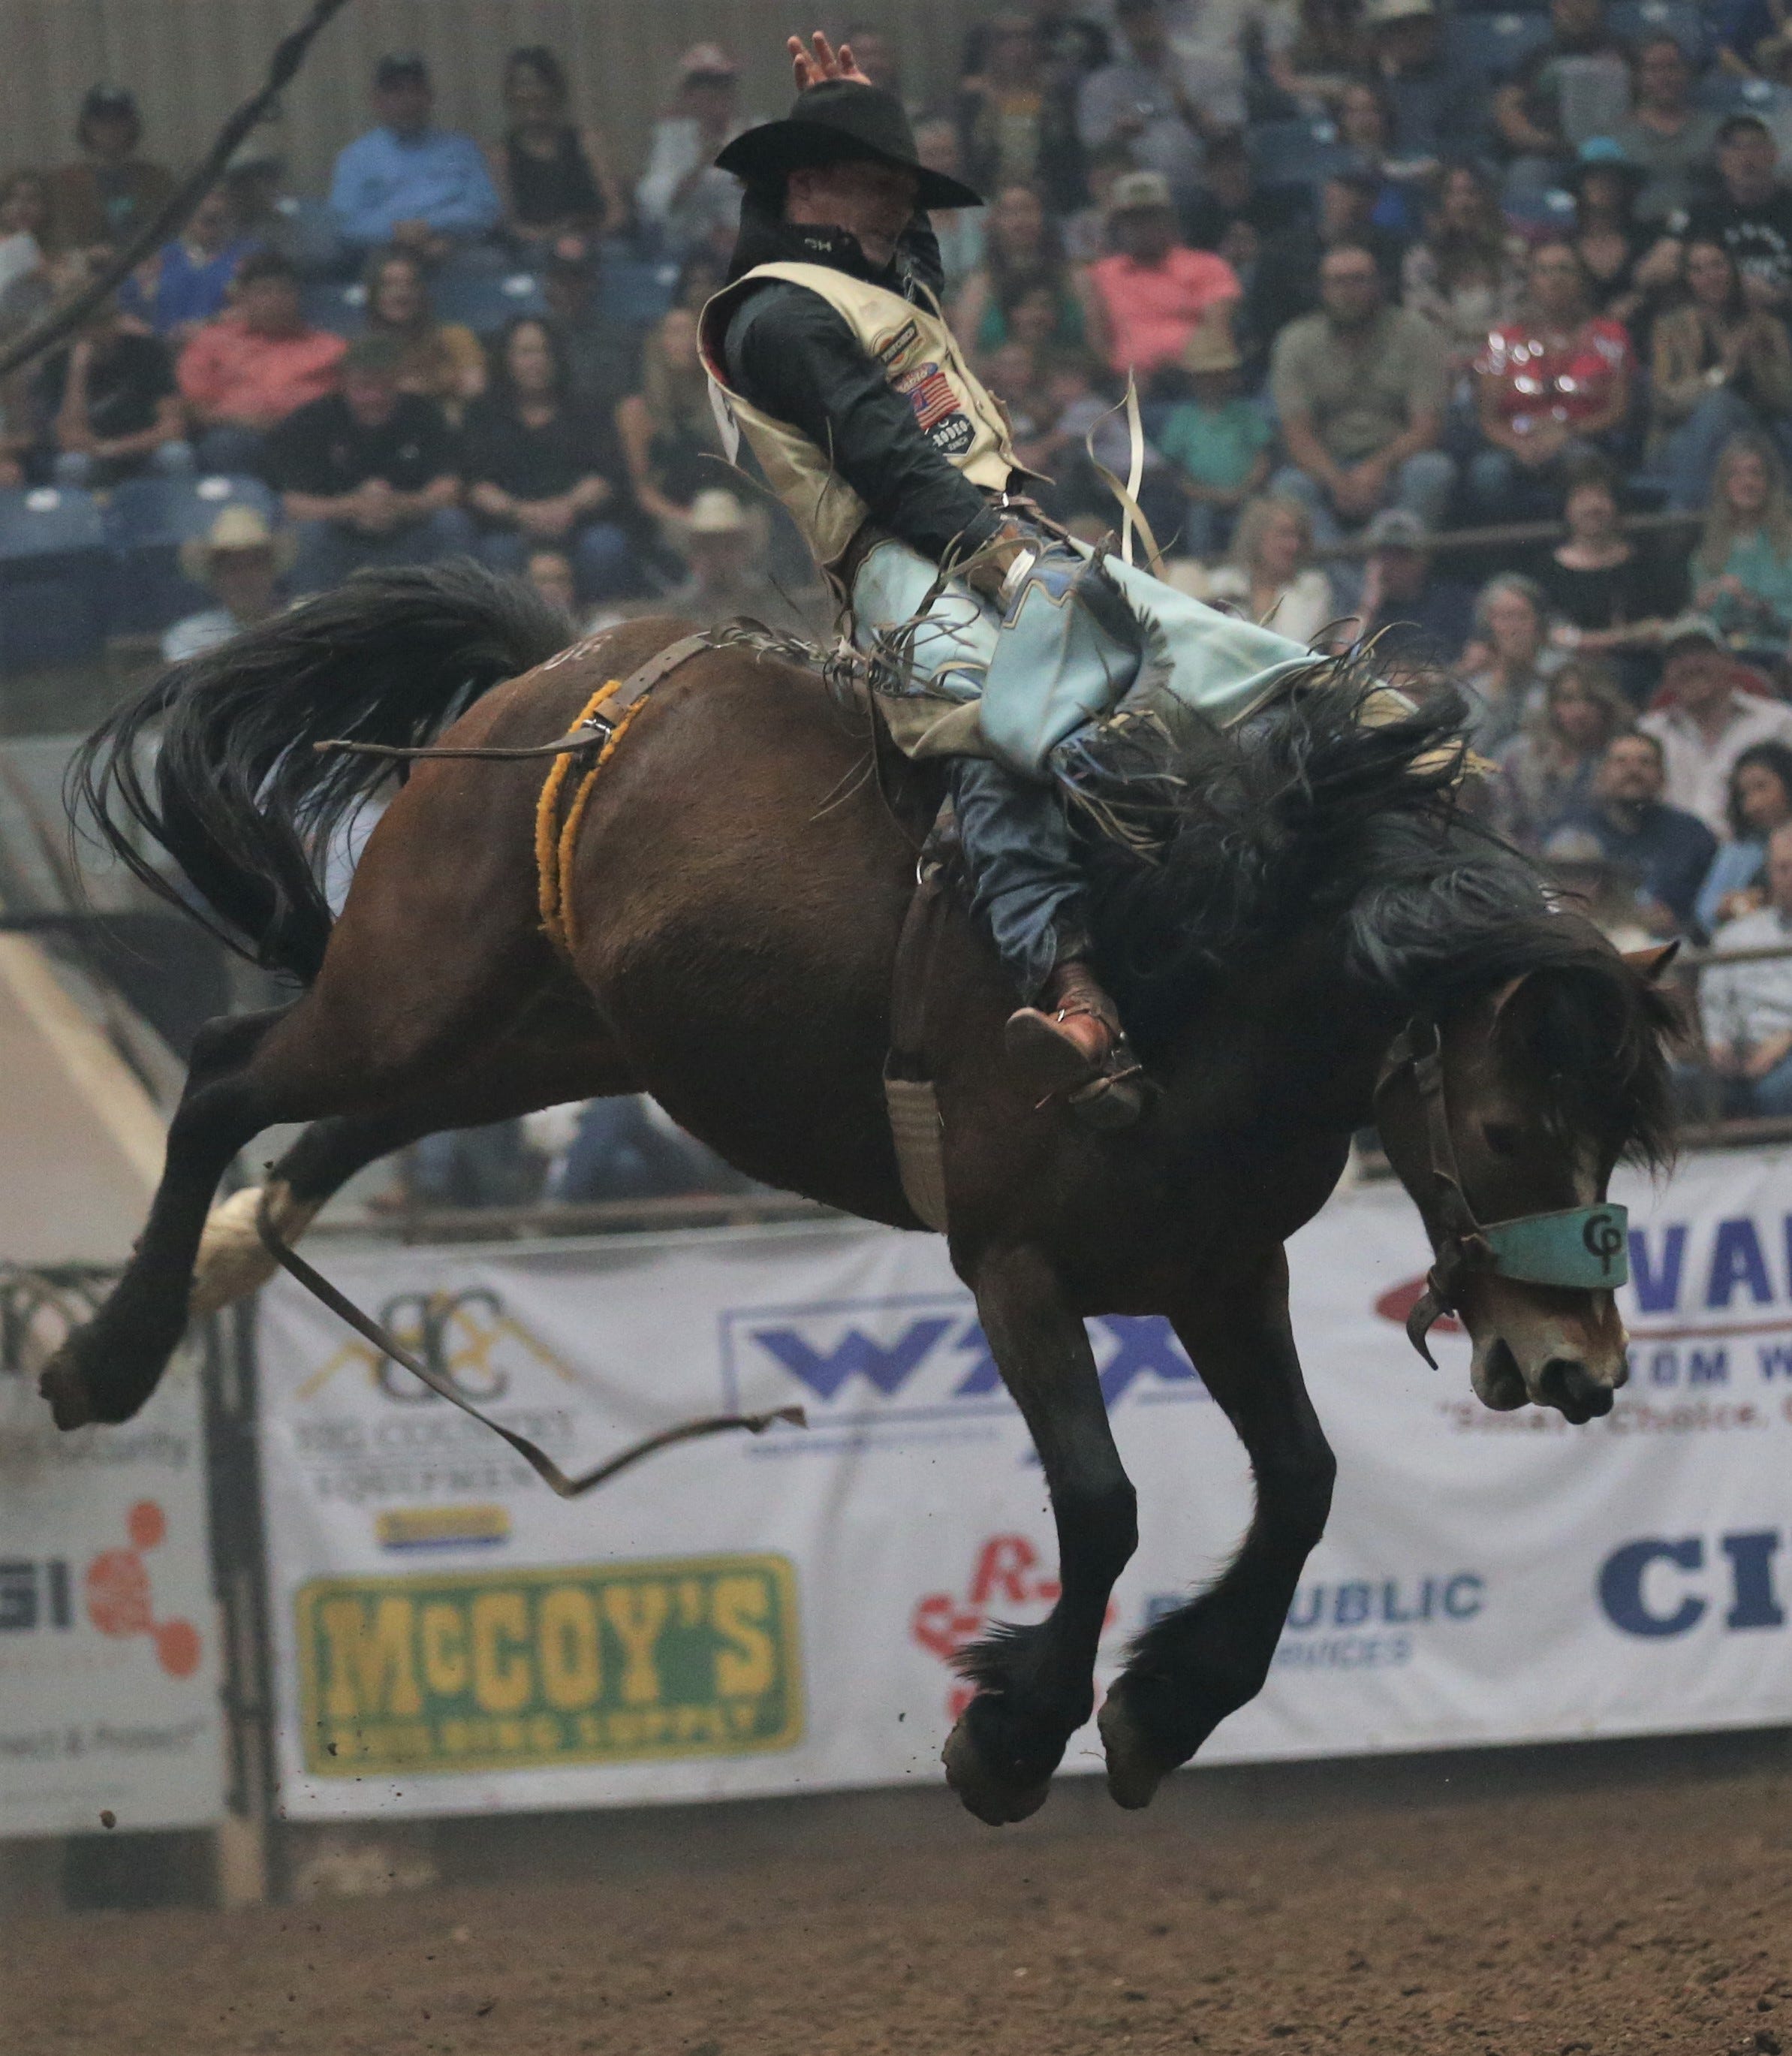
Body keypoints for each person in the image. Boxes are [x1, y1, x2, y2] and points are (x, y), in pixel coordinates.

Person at [700, 35, 1337, 1123]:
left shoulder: (866, 293)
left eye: (909, 194)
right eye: (880, 186)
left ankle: (1368, 792)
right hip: (908, 565)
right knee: (1000, 718)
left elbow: (913, 291)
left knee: (1230, 658)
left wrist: (846, 112)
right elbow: (882, 455)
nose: (905, 214)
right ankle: (1066, 983)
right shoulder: (776, 316)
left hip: (996, 535)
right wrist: (990, 555)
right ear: (804, 188)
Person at [1267, 240, 1453, 562]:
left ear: (1379, 283)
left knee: (1432, 470)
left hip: (1396, 461)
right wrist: (1336, 479)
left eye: (1359, 279)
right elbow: (1297, 434)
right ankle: (1346, 587)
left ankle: (1397, 569)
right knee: (1288, 486)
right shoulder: (1295, 341)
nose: (1348, 291)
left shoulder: (1417, 334)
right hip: (1328, 466)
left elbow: (1427, 428)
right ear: (1322, 289)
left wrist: (1376, 468)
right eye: (1337, 282)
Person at [265, 333, 471, 595]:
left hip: (410, 531)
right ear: (344, 384)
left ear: (397, 382)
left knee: (450, 523)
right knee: (307, 534)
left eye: (383, 386)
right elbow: (293, 504)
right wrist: (353, 507)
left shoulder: (424, 414)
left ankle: (456, 612)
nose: (374, 397)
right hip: (340, 537)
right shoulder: (312, 421)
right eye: (363, 387)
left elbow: (450, 488)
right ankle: (312, 619)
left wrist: (400, 505)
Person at [461, 316, 637, 602]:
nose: (537, 361)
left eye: (545, 351)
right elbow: (475, 483)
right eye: (526, 352)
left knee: (606, 547)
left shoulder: (588, 408)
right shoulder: (482, 414)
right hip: (510, 526)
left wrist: (568, 507)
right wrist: (520, 512)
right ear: (506, 359)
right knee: (497, 553)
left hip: (578, 523)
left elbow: (607, 476)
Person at [1470, 240, 1634, 522]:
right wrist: (1518, 444)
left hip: (1581, 439)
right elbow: (1488, 419)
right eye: (1544, 271)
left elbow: (1619, 411)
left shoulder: (1610, 335)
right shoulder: (1504, 339)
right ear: (1531, 282)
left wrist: (1568, 432)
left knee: (1582, 464)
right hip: (1516, 443)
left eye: (1564, 270)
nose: (1554, 279)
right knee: (1488, 473)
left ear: (1581, 280)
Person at [1649, 238, 1792, 512]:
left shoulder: (1766, 327)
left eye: (1718, 266)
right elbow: (1666, 401)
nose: (1710, 277)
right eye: (1698, 270)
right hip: (1684, 437)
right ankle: (1689, 512)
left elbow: (1786, 397)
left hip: (1757, 434)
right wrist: (1723, 372)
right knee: (1718, 406)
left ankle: (1682, 516)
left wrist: (1756, 362)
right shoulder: (1670, 328)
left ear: (1734, 270)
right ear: (1687, 278)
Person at [176, 251, 349, 476]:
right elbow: (195, 408)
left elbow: (353, 405)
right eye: (264, 292)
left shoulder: (332, 348)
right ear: (244, 298)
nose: (275, 300)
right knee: (226, 446)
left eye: (284, 291)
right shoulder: (212, 342)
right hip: (236, 435)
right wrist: (245, 420)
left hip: (309, 440)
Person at [1640, 613, 1792, 835]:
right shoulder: (1648, 732)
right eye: (1678, 658)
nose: (1690, 665)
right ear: (1666, 673)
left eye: (1701, 653)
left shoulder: (1779, 722)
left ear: (1729, 662)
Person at [1086, 170, 1240, 384]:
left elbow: (1218, 333)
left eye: (1150, 218)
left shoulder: (1208, 266)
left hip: (1196, 378)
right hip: (1128, 383)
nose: (1142, 228)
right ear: (1119, 226)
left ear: (1170, 220)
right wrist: (1122, 376)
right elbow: (1097, 340)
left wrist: (1179, 365)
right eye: (1133, 220)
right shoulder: (1102, 274)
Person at [1562, 728, 1718, 934]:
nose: (1633, 771)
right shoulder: (1573, 833)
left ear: (1662, 777)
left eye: (1645, 762)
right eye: (1621, 762)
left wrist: (1676, 923)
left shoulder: (1692, 836)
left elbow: (1709, 913)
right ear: (1602, 775)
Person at [1490, 0, 1631, 213]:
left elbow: (1647, 106)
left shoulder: (1624, 53)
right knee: (1525, 174)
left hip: (1611, 155)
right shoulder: (1538, 56)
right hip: (1550, 154)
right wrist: (1543, 141)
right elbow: (1507, 106)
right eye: (1566, 3)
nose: (1575, 9)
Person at [37, 295, 192, 487]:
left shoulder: (148, 352)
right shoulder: (57, 365)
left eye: (102, 323)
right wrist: (78, 372)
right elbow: (68, 438)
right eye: (86, 327)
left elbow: (173, 427)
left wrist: (114, 448)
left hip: (144, 449)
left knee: (175, 455)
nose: (97, 333)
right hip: (94, 459)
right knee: (72, 466)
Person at [487, 46, 625, 264]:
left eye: (540, 84)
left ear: (556, 89)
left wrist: (583, 237)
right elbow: (510, 224)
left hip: (594, 242)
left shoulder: (588, 143)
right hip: (536, 248)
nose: (533, 93)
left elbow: (617, 213)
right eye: (523, 85)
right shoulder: (501, 154)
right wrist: (554, 236)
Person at [1077, 0, 1218, 206]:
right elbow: (1092, 146)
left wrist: (1193, 114)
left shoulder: (1202, 71)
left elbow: (1229, 136)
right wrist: (1116, 136)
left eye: (1146, 8)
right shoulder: (1100, 86)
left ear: (1162, 13)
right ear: (1120, 22)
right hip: (1137, 201)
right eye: (1129, 13)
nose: (1140, 20)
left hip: (1203, 190)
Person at [1399, 164, 1527, 384]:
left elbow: (1516, 314)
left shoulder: (1513, 253)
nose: (1463, 203)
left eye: (1471, 193)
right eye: (1453, 194)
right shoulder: (1421, 259)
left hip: (1502, 358)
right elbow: (1421, 317)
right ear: (1442, 202)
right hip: (1440, 359)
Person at [1153, 324, 1271, 561]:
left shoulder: (1245, 414)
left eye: (1218, 375)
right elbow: (1173, 470)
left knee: (1259, 514)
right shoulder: (1183, 418)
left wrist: (1244, 490)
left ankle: (1248, 565)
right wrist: (1203, 493)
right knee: (1198, 518)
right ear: (1192, 379)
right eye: (1204, 376)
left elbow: (1263, 458)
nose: (1211, 382)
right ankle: (1201, 566)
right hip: (1199, 498)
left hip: (1246, 494)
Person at [1699, 820, 1792, 1114]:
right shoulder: (1734, 936)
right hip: (1742, 1056)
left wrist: (1785, 1042)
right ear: (1769, 872)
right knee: (1682, 1085)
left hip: (1785, 1055)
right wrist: (1719, 1046)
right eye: (1783, 868)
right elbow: (1713, 1004)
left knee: (1777, 1090)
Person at [616, 303, 725, 554]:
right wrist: (686, 518)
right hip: (668, 514)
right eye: (675, 332)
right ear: (658, 343)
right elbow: (643, 491)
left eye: (691, 332)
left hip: (721, 509)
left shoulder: (722, 404)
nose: (685, 341)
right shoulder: (636, 411)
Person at [1493, 658, 1631, 852]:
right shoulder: (1520, 757)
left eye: (1590, 700)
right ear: (1553, 705)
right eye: (1568, 700)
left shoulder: (1620, 757)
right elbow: (1505, 824)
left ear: (1604, 706)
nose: (1579, 711)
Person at [956, 14, 1083, 215]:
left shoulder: (1057, 96)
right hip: (987, 203)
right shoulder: (973, 100)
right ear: (990, 47)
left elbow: (1068, 154)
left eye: (1025, 37)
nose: (1017, 46)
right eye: (1006, 39)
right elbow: (967, 155)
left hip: (1049, 203)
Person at [637, 44, 754, 258]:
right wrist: (701, 164)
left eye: (723, 84)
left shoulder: (755, 132)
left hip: (747, 240)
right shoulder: (672, 137)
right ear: (689, 93)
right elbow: (656, 202)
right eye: (705, 85)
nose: (716, 93)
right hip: (690, 245)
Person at [1188, 492, 1338, 647]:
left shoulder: (1312, 588)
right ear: (1257, 537)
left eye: (1300, 537)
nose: (1294, 546)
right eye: (1284, 534)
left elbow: (1296, 645)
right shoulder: (1224, 583)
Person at [953, 182, 1088, 355]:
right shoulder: (979, 284)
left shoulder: (1075, 278)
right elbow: (964, 353)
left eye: (1028, 209)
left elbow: (1098, 348)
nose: (1021, 220)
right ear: (994, 222)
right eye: (1009, 212)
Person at [1680, 115, 1792, 318]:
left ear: (1774, 155)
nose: (1747, 159)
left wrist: (1780, 298)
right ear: (1721, 161)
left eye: (1755, 147)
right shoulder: (1702, 214)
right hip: (1720, 322)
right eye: (1736, 148)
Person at [119, 185, 258, 348]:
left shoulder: (254, 256)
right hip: (160, 356)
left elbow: (268, 308)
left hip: (229, 354)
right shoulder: (158, 259)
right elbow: (121, 313)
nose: (212, 205)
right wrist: (155, 338)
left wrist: (209, 326)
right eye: (204, 197)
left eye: (220, 197)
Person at [1691, 433, 1792, 653]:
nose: (1746, 483)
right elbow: (1704, 623)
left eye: (1755, 473)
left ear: (1769, 483)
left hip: (1781, 653)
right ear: (1724, 486)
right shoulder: (1707, 552)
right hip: (1725, 654)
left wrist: (1754, 604)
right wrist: (1701, 607)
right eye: (1735, 475)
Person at [361, 247, 486, 421]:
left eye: (409, 284)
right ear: (373, 294)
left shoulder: (455, 336)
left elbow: (475, 387)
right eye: (389, 285)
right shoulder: (364, 348)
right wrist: (444, 383)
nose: (400, 294)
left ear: (422, 292)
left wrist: (416, 387)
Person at [48, 86, 176, 253]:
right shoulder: (63, 184)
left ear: (132, 126)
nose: (111, 128)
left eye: (119, 120)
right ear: (86, 126)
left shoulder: (158, 180)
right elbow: (55, 241)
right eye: (101, 121)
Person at [1613, 35, 1723, 226]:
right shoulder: (1616, 135)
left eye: (1672, 67)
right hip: (1640, 232)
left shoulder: (1716, 130)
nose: (1665, 77)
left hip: (1705, 233)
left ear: (1686, 72)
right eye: (1653, 69)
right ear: (1638, 76)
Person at [161, 502, 290, 663]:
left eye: (255, 565)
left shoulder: (299, 623)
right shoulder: (188, 637)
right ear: (214, 579)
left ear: (272, 571)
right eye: (232, 569)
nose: (246, 578)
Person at [1360, 0, 1475, 172]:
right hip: (1381, 176)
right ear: (1384, 36)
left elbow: (1471, 139)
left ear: (1435, 29)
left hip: (1447, 174)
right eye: (1400, 28)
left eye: (1420, 26)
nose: (1412, 36)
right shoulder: (1370, 84)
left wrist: (1440, 165)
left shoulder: (1463, 82)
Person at [1352, 507, 1473, 665]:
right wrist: (1370, 603)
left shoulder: (1451, 602)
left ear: (1423, 558)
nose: (1393, 564)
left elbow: (1474, 658)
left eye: (1402, 554)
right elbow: (1341, 659)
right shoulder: (1363, 606)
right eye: (1385, 555)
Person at [1697, 740, 1792, 935]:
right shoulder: (1738, 851)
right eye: (1744, 795)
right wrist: (1739, 905)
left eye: (1761, 787)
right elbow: (1706, 912)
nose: (1753, 804)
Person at [1460, 574, 1562, 757]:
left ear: (1538, 622)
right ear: (1489, 625)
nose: (1514, 628)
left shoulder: (1561, 672)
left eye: (1522, 617)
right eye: (1505, 618)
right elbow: (1474, 746)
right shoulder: (1477, 682)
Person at [540, 247, 642, 417]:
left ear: (592, 284)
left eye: (577, 280)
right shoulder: (533, 336)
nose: (569, 289)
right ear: (548, 285)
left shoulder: (619, 338)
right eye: (561, 280)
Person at [0, 173, 50, 308]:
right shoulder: (20, 244)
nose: (21, 207)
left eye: (31, 199)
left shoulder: (34, 244)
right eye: (12, 199)